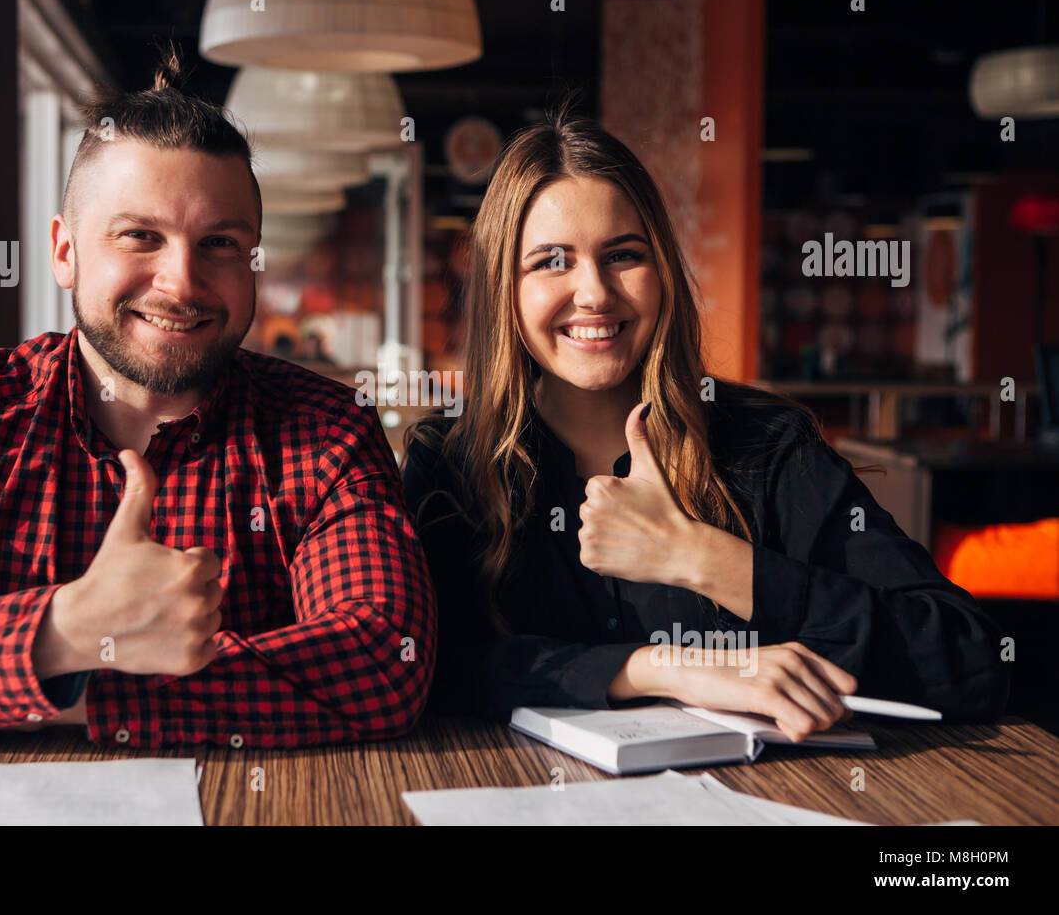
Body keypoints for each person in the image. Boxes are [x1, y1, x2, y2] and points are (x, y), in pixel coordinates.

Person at [0, 49, 435, 749]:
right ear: (64, 252)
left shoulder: (326, 430)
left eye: (220, 244)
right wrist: (64, 632)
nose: (180, 282)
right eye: (140, 236)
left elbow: (386, 662)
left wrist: (77, 684)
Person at [400, 104, 1009, 741]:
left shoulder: (767, 446)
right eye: (551, 260)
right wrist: (660, 669)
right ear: (505, 289)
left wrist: (703, 558)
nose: (595, 293)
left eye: (623, 255)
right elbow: (417, 665)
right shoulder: (451, 464)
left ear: (661, 271)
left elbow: (973, 662)